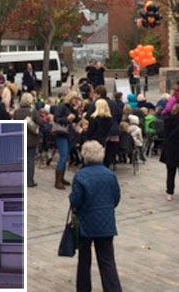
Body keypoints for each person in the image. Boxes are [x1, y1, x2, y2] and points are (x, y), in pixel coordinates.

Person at [70, 140, 123, 292]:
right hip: (106, 222)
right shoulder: (109, 175)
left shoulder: (81, 176)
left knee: (84, 261)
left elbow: (75, 200)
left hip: (86, 222)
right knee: (107, 261)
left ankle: (84, 288)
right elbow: (116, 198)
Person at [52, 93, 81, 189]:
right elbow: (56, 118)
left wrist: (76, 112)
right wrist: (67, 119)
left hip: (69, 134)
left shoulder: (72, 108)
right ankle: (57, 181)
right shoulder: (62, 106)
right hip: (61, 134)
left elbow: (76, 120)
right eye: (75, 99)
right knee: (63, 156)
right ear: (70, 98)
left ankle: (62, 178)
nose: (76, 101)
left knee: (66, 156)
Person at [14, 93, 43, 187]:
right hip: (31, 139)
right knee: (30, 160)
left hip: (20, 138)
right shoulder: (32, 111)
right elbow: (40, 122)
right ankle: (29, 181)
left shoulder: (17, 111)